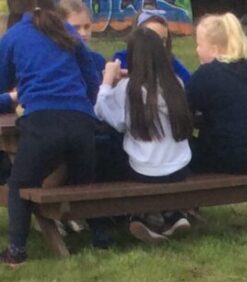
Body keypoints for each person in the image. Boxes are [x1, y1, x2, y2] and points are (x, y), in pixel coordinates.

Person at [0, 0, 104, 264]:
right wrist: (87, 104)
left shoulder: (13, 37)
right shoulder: (67, 31)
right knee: (85, 182)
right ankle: (101, 237)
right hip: (80, 120)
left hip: (42, 121)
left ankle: (16, 250)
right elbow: (91, 76)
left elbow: (3, 80)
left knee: (20, 183)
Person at [94, 25, 190, 242]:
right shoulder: (177, 85)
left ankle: (142, 218)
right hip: (180, 168)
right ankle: (171, 216)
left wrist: (107, 83)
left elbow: (104, 113)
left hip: (143, 170)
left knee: (116, 155)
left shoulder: (129, 90)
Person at [188, 11, 247, 176]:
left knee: (178, 153)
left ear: (214, 50)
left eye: (199, 45)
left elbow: (182, 112)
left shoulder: (206, 75)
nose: (197, 50)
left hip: (232, 159)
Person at [110, 6, 190, 91]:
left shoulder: (172, 63)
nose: (159, 45)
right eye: (152, 39)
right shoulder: (122, 60)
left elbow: (190, 86)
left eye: (163, 40)